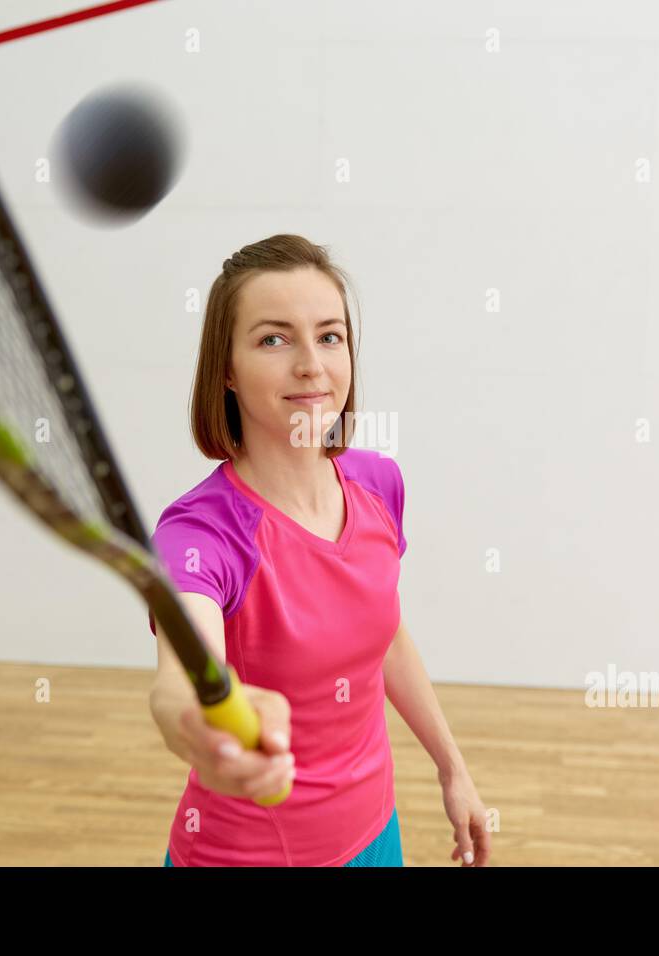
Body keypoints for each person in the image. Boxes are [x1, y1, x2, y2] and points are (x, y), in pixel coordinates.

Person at [148, 234, 490, 866]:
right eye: (274, 339)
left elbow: (382, 632)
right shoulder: (199, 535)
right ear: (225, 368)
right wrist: (199, 719)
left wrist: (452, 766)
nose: (311, 364)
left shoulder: (377, 484)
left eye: (330, 336)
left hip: (375, 839)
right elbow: (179, 680)